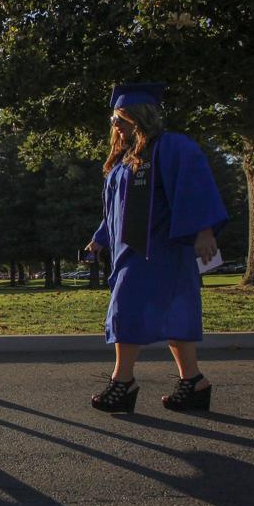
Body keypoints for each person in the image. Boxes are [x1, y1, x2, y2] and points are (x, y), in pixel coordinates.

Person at [84, 82, 229, 413]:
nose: (115, 126)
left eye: (120, 118)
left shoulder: (173, 147)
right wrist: (100, 237)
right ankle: (193, 382)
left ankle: (123, 382)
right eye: (113, 120)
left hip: (163, 246)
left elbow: (195, 187)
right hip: (130, 250)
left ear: (138, 117)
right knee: (153, 310)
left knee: (140, 311)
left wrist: (205, 230)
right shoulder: (120, 164)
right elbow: (113, 212)